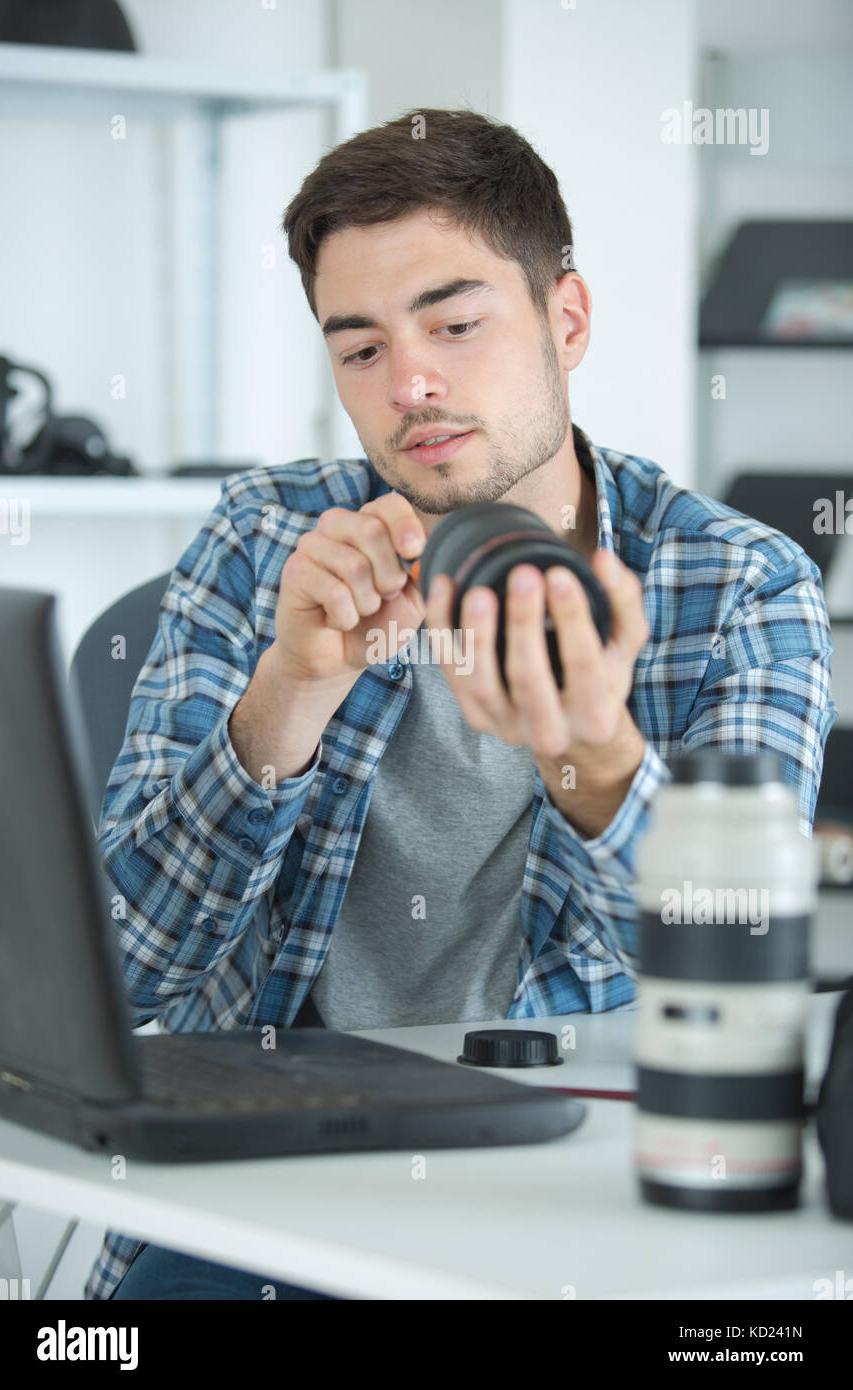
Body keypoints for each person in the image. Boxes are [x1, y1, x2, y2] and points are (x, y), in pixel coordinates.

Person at [89, 108, 836, 1300]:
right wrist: (286, 699)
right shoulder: (262, 539)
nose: (413, 383)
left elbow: (737, 969)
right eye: (362, 348)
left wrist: (590, 754)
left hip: (566, 1199)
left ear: (565, 319)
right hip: (259, 1179)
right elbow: (128, 979)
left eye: (453, 322)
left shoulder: (738, 585)